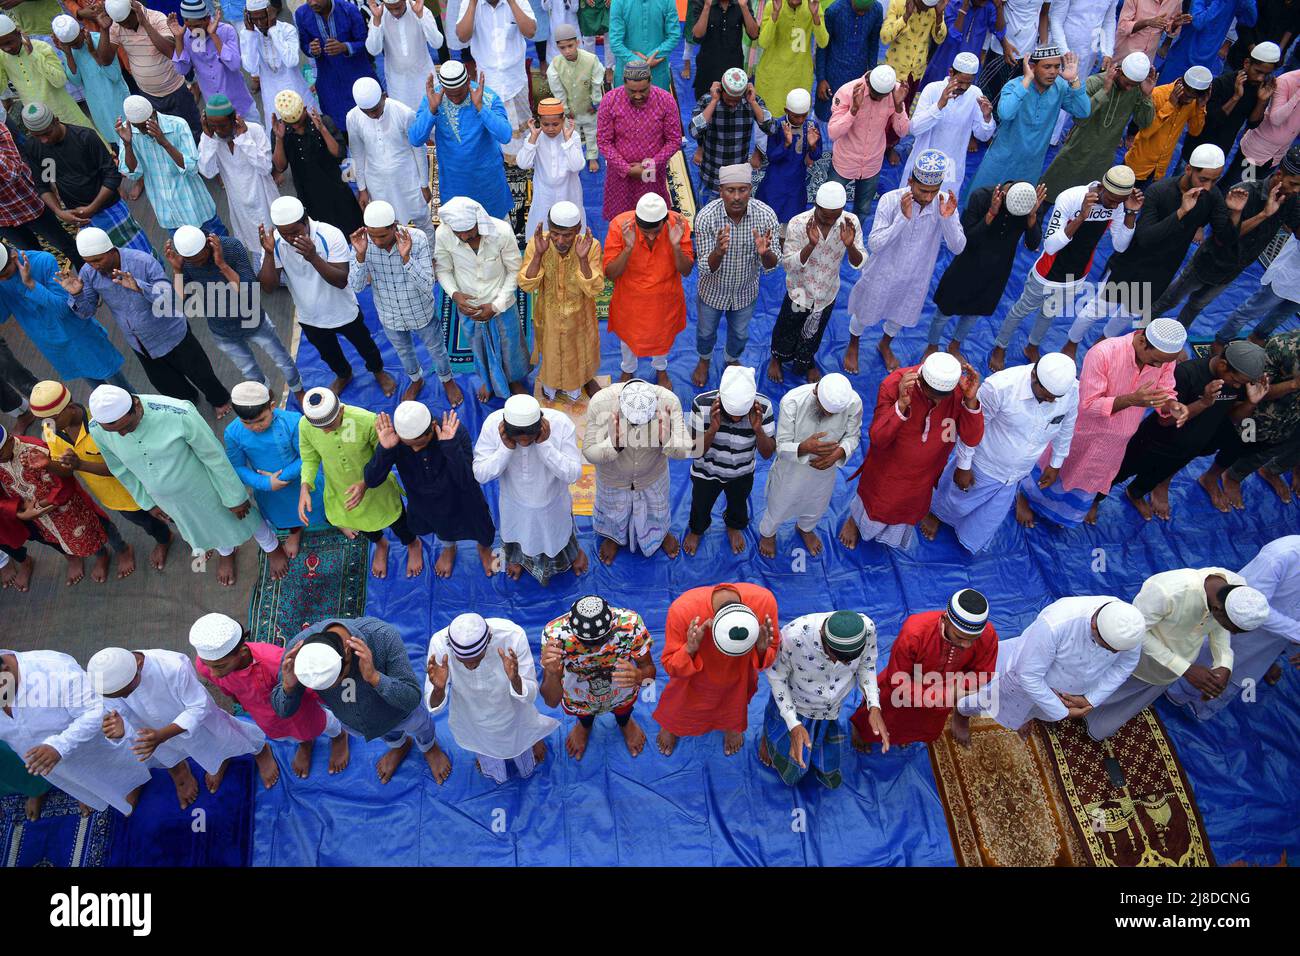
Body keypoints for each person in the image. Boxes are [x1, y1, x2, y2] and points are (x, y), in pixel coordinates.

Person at [89, 385, 290, 586]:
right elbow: (120, 469)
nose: (122, 434)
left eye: (126, 427)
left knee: (244, 518)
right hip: (168, 501)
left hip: (206, 489)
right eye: (115, 432)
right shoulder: (98, 428)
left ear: (136, 404)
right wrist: (147, 502)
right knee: (200, 528)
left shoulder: (179, 413)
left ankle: (272, 547)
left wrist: (234, 497)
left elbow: (214, 457)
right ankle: (226, 552)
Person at [1063, 144, 1232, 356]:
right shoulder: (1159, 192)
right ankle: (1071, 342)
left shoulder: (1212, 196)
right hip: (1133, 264)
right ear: (1189, 169)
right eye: (1204, 179)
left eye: (1214, 180)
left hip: (1162, 270)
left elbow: (1225, 239)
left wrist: (1235, 213)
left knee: (1128, 313)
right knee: (1099, 308)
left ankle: (1104, 339)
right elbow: (1145, 238)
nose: (1208, 186)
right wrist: (1180, 212)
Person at [1018, 319, 1188, 526]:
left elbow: (1165, 389)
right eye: (1156, 362)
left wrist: (1171, 405)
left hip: (1114, 443)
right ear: (1142, 341)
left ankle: (1058, 511)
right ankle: (1024, 499)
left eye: (1164, 363)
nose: (1160, 367)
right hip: (1083, 433)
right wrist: (1132, 399)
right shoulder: (1103, 354)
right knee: (1055, 467)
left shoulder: (1164, 358)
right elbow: (1088, 404)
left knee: (1088, 477)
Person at [1084, 571, 1270, 740]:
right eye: (1233, 629)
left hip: (1167, 673)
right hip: (1131, 662)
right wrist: (1185, 669)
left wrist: (1224, 662)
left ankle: (1090, 718)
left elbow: (1218, 627)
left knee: (1103, 725)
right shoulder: (1168, 591)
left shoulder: (1236, 591)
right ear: (1218, 610)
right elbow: (1136, 633)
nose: (1233, 634)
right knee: (1084, 699)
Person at [989, 165, 1141, 371]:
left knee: (1049, 313)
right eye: (1111, 200)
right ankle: (1000, 346)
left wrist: (1130, 213)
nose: (1114, 206)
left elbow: (1120, 246)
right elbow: (1050, 245)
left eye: (1119, 202)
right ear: (1102, 187)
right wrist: (1081, 217)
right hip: (1047, 273)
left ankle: (1032, 345)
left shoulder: (1120, 206)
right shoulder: (1071, 198)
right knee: (1021, 310)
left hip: (1076, 276)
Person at [67, 228, 232, 415]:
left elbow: (171, 298)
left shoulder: (142, 262)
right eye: (89, 262)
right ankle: (190, 403)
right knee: (167, 386)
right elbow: (86, 312)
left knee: (201, 373)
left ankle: (219, 400)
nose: (94, 266)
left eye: (98, 260)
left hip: (172, 333)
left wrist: (140, 287)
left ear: (112, 250)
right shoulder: (88, 273)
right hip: (141, 343)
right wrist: (77, 294)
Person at [272, 617, 453, 784]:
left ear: (347, 653)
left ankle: (429, 747)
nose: (331, 691)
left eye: (338, 680)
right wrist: (288, 687)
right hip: (359, 723)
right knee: (388, 734)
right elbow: (283, 710)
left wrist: (375, 678)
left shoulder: (382, 636)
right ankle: (400, 746)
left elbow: (411, 698)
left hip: (400, 712)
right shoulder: (299, 655)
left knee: (420, 725)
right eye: (323, 688)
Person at [90, 645, 271, 806]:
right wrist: (121, 730)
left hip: (197, 724)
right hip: (152, 733)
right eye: (116, 696)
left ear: (138, 666)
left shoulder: (172, 666)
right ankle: (181, 773)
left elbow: (199, 706)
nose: (124, 698)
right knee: (168, 753)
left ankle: (260, 750)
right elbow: (121, 715)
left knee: (222, 739)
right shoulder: (105, 682)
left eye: (126, 693)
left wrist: (163, 735)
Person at [930, 353, 1077, 551]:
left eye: (1056, 397)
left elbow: (1067, 424)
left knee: (988, 516)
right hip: (983, 465)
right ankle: (935, 514)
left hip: (1016, 474)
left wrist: (1056, 462)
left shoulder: (1071, 390)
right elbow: (971, 425)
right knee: (955, 500)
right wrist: (964, 466)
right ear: (1034, 375)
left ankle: (966, 534)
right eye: (1047, 394)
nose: (1052, 400)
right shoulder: (1001, 387)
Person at [841, 353, 984, 549]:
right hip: (886, 472)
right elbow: (878, 437)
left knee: (908, 509)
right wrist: (901, 405)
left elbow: (971, 437)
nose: (939, 404)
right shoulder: (894, 385)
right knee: (874, 502)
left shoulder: (960, 391)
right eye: (932, 397)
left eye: (944, 398)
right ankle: (854, 522)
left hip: (924, 476)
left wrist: (971, 401)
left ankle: (885, 535)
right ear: (921, 381)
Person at [257, 196, 396, 397]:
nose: (289, 238)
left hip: (342, 309)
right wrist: (269, 254)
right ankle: (344, 374)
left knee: (365, 345)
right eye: (283, 233)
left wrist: (313, 257)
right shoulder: (275, 242)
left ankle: (378, 371)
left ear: (305, 221)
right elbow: (268, 287)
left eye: (295, 232)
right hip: (309, 315)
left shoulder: (330, 234)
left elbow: (341, 280)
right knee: (328, 353)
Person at [1112, 341, 1268, 520]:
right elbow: (1166, 421)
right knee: (1120, 471)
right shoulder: (1187, 374)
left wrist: (1251, 402)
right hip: (1154, 442)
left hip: (1188, 449)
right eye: (1237, 381)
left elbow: (1232, 417)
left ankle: (1135, 493)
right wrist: (1203, 403)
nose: (1238, 386)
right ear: (1223, 365)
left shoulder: (1236, 382)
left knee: (1155, 477)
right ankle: (1095, 499)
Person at [953, 597, 1145, 741]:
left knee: (1032, 710)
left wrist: (1091, 699)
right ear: (1094, 626)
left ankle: (1023, 716)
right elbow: (1028, 676)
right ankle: (962, 713)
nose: (1113, 653)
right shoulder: (1057, 624)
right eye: (1109, 649)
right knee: (988, 697)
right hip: (1021, 681)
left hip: (1063, 695)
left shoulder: (1128, 630)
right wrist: (1063, 713)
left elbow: (1125, 665)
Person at [33, 380, 173, 575]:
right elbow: (67, 471)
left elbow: (120, 467)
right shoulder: (51, 430)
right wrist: (49, 464)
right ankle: (165, 539)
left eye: (51, 418)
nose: (47, 424)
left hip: (146, 487)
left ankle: (199, 538)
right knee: (149, 524)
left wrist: (79, 464)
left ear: (70, 408)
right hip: (116, 498)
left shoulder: (103, 424)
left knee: (174, 513)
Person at [845, 149, 966, 373]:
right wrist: (902, 218)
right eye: (923, 190)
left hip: (916, 276)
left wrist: (948, 219)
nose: (928, 197)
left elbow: (958, 247)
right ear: (910, 181)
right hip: (883, 273)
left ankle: (885, 344)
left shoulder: (943, 204)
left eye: (933, 191)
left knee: (900, 315)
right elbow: (875, 244)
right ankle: (853, 345)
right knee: (865, 312)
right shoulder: (891, 201)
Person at [190, 612, 349, 780]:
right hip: (264, 716)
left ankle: (339, 736)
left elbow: (314, 688)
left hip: (298, 710)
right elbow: (227, 688)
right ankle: (305, 744)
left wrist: (340, 699)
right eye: (209, 665)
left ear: (242, 652)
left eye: (220, 666)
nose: (213, 673)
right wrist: (237, 698)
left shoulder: (276, 662)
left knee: (322, 723)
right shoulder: (205, 665)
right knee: (290, 734)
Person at [1152, 149, 1300, 328]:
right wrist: (1264, 214)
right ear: (1279, 175)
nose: (1296, 189)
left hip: (1233, 269)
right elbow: (1224, 236)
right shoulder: (1244, 193)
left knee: (1196, 306)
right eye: (1293, 183)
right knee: (1169, 300)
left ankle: (1177, 337)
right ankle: (1140, 332)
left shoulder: (1292, 200)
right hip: (1210, 261)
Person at [0, 649, 151, 817]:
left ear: (5, 671)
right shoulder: (4, 682)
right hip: (61, 767)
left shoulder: (53, 669)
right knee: (80, 779)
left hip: (96, 748)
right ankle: (89, 789)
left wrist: (59, 747)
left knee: (119, 771)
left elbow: (95, 712)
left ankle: (132, 785)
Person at [166, 226, 304, 403]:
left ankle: (298, 390)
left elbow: (248, 290)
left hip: (253, 321)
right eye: (191, 261)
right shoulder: (185, 263)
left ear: (208, 245)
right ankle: (264, 393)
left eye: (200, 259)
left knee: (282, 359)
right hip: (222, 330)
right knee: (249, 371)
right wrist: (178, 271)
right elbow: (179, 302)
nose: (197, 264)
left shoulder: (232, 247)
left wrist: (222, 264)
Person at [1166, 536, 1300, 719]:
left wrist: (1292, 647)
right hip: (1234, 629)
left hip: (1273, 643)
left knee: (1234, 672)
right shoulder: (1281, 556)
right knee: (1200, 665)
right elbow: (1250, 608)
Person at [348, 201, 460, 406]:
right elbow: (355, 286)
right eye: (372, 235)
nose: (377, 241)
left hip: (420, 311)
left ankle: (447, 380)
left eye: (382, 235)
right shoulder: (363, 245)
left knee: (436, 349)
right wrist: (360, 255)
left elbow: (428, 284)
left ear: (395, 225)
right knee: (404, 352)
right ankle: (416, 380)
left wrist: (406, 257)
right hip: (390, 315)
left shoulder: (416, 239)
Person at [366, 402, 497, 577]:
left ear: (433, 427)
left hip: (463, 499)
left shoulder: (454, 433)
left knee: (482, 529)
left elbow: (466, 480)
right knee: (441, 528)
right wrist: (385, 450)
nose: (415, 449)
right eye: (410, 445)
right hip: (426, 503)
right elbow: (372, 480)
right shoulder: (395, 440)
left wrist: (449, 446)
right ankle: (449, 549)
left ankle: (484, 548)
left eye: (420, 444)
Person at [425, 612, 558, 784]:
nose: (470, 666)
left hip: (513, 714)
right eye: (464, 661)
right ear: (451, 648)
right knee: (493, 767)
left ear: (488, 641)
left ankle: (529, 742)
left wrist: (515, 680)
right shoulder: (440, 644)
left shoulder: (512, 635)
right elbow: (433, 706)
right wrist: (438, 689)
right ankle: (488, 755)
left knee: (525, 757)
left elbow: (530, 694)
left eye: (475, 659)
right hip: (473, 720)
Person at [298, 387, 417, 579]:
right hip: (341, 491)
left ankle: (413, 543)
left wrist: (365, 484)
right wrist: (305, 487)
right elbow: (309, 458)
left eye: (330, 425)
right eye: (322, 428)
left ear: (342, 411)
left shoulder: (367, 421)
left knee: (397, 519)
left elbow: (384, 459)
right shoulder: (305, 425)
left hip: (377, 489)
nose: (326, 431)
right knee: (361, 524)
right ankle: (381, 544)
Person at [855, 589, 997, 749]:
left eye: (973, 639)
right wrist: (947, 694)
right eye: (960, 637)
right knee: (879, 723)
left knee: (919, 728)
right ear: (945, 620)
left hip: (939, 703)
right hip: (900, 697)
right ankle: (863, 736)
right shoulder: (914, 633)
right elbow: (898, 680)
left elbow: (982, 673)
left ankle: (902, 737)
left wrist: (956, 689)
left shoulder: (988, 635)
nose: (967, 645)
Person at [473, 394, 588, 583]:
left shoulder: (561, 424)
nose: (524, 442)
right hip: (514, 508)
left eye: (530, 437)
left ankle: (573, 555)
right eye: (519, 439)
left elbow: (573, 474)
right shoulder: (492, 424)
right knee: (517, 538)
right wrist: (505, 449)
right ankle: (517, 562)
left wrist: (544, 445)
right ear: (505, 429)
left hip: (553, 506)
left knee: (558, 537)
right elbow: (480, 474)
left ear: (541, 425)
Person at [654, 582, 779, 756]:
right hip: (693, 680)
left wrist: (761, 649)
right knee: (679, 708)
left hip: (739, 679)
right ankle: (672, 726)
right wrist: (689, 649)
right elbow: (670, 665)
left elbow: (771, 654)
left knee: (733, 709)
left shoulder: (764, 603)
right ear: (713, 621)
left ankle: (732, 727)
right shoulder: (683, 609)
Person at [761, 608, 879, 787]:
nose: (844, 664)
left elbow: (867, 665)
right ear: (823, 636)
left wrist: (873, 704)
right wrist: (793, 724)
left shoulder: (867, 629)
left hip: (831, 711)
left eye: (849, 661)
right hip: (796, 704)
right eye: (837, 658)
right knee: (784, 742)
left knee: (823, 744)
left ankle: (820, 765)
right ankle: (768, 743)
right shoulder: (793, 638)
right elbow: (777, 678)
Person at [929, 180, 1045, 361]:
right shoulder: (981, 197)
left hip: (997, 271)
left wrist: (1032, 217)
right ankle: (932, 345)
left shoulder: (1030, 204)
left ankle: (955, 345)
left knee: (974, 312)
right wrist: (991, 213)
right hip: (967, 265)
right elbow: (968, 239)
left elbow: (1033, 244)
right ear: (1004, 194)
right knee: (945, 311)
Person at [19, 105, 152, 257]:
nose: (44, 140)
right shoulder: (35, 146)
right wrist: (60, 212)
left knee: (141, 254)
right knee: (106, 261)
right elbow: (44, 184)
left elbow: (111, 175)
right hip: (80, 217)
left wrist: (92, 207)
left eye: (47, 133)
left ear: (56, 121)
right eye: (37, 136)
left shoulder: (85, 137)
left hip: (109, 207)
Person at [584, 379, 692, 563]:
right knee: (613, 512)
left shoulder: (669, 402)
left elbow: (686, 449)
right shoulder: (600, 402)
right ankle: (613, 538)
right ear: (620, 407)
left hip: (653, 475)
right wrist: (613, 445)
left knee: (656, 510)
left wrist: (666, 440)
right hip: (612, 477)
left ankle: (660, 533)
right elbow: (588, 452)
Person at [691, 164, 780, 386]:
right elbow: (703, 267)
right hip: (712, 292)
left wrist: (765, 252)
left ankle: (731, 360)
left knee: (740, 334)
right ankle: (705, 360)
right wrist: (718, 252)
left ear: (751, 189)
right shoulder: (706, 218)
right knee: (705, 332)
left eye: (743, 190)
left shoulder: (766, 216)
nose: (737, 197)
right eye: (731, 190)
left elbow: (773, 265)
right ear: (721, 191)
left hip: (745, 292)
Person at [433, 196, 530, 402]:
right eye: (459, 232)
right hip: (469, 307)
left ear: (479, 221)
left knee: (510, 345)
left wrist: (496, 305)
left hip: (502, 303)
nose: (465, 235)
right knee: (478, 347)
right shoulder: (443, 234)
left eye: (469, 230)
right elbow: (443, 269)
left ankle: (513, 380)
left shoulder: (501, 231)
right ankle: (488, 381)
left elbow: (515, 271)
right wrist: (455, 295)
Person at [768, 181, 866, 382]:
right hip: (800, 292)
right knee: (788, 327)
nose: (830, 222)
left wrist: (850, 247)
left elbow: (859, 261)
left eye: (834, 216)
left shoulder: (850, 223)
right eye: (824, 216)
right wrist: (810, 245)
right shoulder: (798, 223)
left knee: (814, 333)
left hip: (826, 293)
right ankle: (777, 358)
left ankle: (806, 361)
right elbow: (788, 264)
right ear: (816, 206)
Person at [757, 372, 861, 557]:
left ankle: (805, 528)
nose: (829, 414)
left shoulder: (852, 402)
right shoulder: (792, 402)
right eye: (826, 409)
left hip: (825, 470)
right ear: (815, 392)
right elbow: (781, 446)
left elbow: (853, 436)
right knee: (779, 505)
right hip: (791, 471)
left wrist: (840, 452)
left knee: (817, 504)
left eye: (834, 413)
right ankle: (768, 533)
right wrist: (804, 447)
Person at [539, 595, 655, 758]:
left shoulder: (631, 626)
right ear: (572, 634)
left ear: (613, 626)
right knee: (584, 714)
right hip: (580, 697)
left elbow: (649, 674)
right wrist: (551, 673)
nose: (595, 651)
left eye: (603, 642)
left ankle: (624, 722)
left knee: (623, 709)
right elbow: (551, 702)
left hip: (621, 692)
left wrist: (639, 675)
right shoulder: (555, 637)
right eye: (587, 645)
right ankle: (585, 726)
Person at [0, 244, 128, 392]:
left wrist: (31, 284)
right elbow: (3, 316)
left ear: (14, 257)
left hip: (77, 334)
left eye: (3, 275)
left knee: (119, 384)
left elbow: (62, 309)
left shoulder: (43, 261)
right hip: (51, 343)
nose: (2, 280)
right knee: (99, 391)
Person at [965, 47, 1089, 197]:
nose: (1053, 72)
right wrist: (1027, 80)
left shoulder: (1060, 87)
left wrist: (1074, 80)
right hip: (1001, 160)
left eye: (1057, 67)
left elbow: (1083, 112)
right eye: (1047, 67)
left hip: (1030, 167)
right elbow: (1005, 113)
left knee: (1014, 212)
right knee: (980, 204)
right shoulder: (1014, 85)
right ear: (1032, 67)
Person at [0, 422, 113, 585]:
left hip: (66, 509)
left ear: (10, 440)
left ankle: (102, 555)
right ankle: (73, 557)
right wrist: (20, 512)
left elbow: (64, 482)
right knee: (52, 538)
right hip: (36, 517)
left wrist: (40, 507)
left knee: (91, 532)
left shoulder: (35, 450)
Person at [603, 193, 694, 389]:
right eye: (645, 233)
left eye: (656, 232)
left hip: (665, 300)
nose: (651, 237)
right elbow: (610, 274)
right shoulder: (620, 226)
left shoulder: (678, 224)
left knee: (663, 337)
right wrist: (627, 248)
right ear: (636, 222)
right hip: (630, 301)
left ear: (664, 221)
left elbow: (686, 271)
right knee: (628, 338)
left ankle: (661, 369)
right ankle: (628, 368)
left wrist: (676, 245)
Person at [1038, 53, 1158, 202]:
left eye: (1133, 85)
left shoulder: (1136, 90)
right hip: (1076, 152)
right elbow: (1080, 118)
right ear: (1119, 71)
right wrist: (1104, 92)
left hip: (1102, 161)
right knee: (1048, 197)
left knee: (1083, 206)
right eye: (1127, 83)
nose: (1129, 88)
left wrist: (1147, 96)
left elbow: (1145, 123)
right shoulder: (1095, 82)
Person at [517, 200, 604, 402]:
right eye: (555, 233)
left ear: (578, 230)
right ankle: (551, 386)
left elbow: (595, 288)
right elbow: (526, 285)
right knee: (551, 353)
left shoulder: (591, 246)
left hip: (580, 318)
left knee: (580, 351)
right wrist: (538, 254)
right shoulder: (538, 244)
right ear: (549, 227)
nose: (560, 240)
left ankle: (583, 380)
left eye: (567, 235)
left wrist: (582, 259)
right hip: (549, 318)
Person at [225, 381, 323, 559]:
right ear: (239, 418)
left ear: (272, 406)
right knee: (285, 514)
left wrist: (283, 477)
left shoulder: (293, 422)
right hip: (270, 491)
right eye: (247, 422)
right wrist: (266, 483)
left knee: (319, 503)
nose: (255, 426)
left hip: (302, 481)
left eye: (261, 420)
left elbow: (308, 456)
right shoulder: (233, 433)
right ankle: (295, 532)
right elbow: (237, 467)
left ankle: (337, 520)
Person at [684, 365, 774, 556]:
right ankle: (697, 529)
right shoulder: (702, 404)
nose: (735, 418)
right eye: (730, 412)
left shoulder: (763, 407)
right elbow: (694, 451)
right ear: (720, 399)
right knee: (700, 504)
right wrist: (712, 429)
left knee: (738, 503)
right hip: (706, 472)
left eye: (740, 415)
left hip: (742, 473)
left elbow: (767, 453)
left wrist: (758, 429)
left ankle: (733, 526)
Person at [408, 60, 513, 219]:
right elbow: (415, 139)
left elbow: (505, 135)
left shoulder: (487, 97)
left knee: (498, 237)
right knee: (459, 240)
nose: (455, 99)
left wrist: (481, 108)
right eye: (450, 94)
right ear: (443, 88)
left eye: (459, 93)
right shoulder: (434, 98)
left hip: (488, 183)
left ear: (468, 80)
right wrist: (431, 110)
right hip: (454, 186)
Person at [1206, 331, 1300, 508]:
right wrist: (1294, 384)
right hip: (1257, 419)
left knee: (1262, 451)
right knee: (1236, 447)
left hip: (1289, 424)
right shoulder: (1283, 345)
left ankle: (1234, 476)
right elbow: (1255, 389)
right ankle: (1212, 477)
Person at [116, 95, 224, 235]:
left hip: (196, 206)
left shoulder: (178, 125)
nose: (144, 131)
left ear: (153, 112)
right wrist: (127, 145)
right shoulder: (128, 132)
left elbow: (192, 167)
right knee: (188, 254)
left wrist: (164, 142)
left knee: (221, 245)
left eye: (146, 124)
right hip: (167, 212)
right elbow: (133, 173)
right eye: (139, 127)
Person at [98, 0, 204, 138]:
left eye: (127, 22)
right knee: (167, 137)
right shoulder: (116, 26)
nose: (125, 26)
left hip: (176, 91)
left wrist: (146, 24)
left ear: (134, 10)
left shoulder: (157, 18)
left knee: (193, 132)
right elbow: (105, 60)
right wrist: (104, 30)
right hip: (149, 96)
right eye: (121, 23)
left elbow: (170, 51)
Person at [596, 62, 682, 220]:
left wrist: (650, 165)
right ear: (623, 82)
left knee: (652, 219)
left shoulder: (666, 101)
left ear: (650, 80)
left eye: (643, 90)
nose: (637, 95)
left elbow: (674, 140)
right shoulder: (610, 101)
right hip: (620, 175)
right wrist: (626, 169)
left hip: (652, 174)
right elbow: (603, 141)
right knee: (621, 221)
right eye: (632, 91)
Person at [827, 63, 910, 228]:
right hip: (845, 160)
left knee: (863, 209)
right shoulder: (848, 91)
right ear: (868, 82)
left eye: (883, 96)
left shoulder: (896, 93)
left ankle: (852, 235)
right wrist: (853, 110)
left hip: (872, 162)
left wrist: (899, 106)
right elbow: (833, 133)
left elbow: (902, 132)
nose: (879, 99)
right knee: (830, 205)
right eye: (875, 94)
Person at [347, 77, 432, 237]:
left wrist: (424, 184)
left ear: (384, 97)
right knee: (385, 222)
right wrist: (362, 189)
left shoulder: (404, 113)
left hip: (407, 177)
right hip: (377, 182)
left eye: (375, 110)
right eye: (367, 112)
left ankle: (430, 257)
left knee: (422, 219)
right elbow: (356, 154)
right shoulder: (353, 117)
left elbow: (418, 149)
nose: (372, 115)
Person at [451, 0, 537, 156]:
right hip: (488, 83)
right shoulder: (470, 3)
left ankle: (526, 166)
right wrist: (472, 4)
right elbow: (462, 37)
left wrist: (511, 2)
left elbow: (531, 31)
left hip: (516, 81)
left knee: (524, 135)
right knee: (494, 136)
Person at [904, 52, 997, 196]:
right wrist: (939, 105)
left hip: (951, 166)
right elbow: (915, 128)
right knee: (913, 203)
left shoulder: (975, 94)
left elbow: (983, 136)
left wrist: (986, 117)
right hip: (923, 161)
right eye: (960, 82)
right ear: (951, 72)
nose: (964, 87)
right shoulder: (932, 90)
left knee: (943, 208)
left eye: (969, 83)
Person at [270, 91, 363, 235]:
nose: (295, 127)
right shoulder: (280, 131)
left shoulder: (323, 121)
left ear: (304, 108)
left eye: (298, 121)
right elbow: (280, 167)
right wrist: (279, 139)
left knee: (353, 233)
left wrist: (322, 130)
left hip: (338, 191)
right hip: (309, 196)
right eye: (291, 123)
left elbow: (340, 154)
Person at [197, 95, 278, 258]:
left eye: (222, 125)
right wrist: (208, 138)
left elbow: (265, 167)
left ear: (234, 119)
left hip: (264, 199)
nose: (218, 130)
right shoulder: (210, 139)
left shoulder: (253, 130)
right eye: (213, 126)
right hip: (240, 207)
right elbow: (207, 171)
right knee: (256, 249)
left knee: (277, 242)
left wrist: (243, 138)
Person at [690, 68, 780, 205]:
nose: (733, 104)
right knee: (705, 218)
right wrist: (714, 102)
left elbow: (772, 128)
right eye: (729, 99)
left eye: (736, 100)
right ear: (722, 91)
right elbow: (694, 131)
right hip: (712, 176)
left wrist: (754, 103)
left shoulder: (751, 101)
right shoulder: (708, 100)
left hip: (737, 179)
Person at [0, 120, 84, 267]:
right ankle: (54, 288)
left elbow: (11, 173)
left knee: (65, 244)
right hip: (3, 219)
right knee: (31, 257)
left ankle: (91, 277)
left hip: (26, 202)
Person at [1180, 42, 1281, 164]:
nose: (1260, 78)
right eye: (1258, 72)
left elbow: (1253, 123)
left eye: (1265, 74)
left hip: (1221, 149)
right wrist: (1236, 97)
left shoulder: (1260, 89)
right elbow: (1211, 120)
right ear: (1247, 63)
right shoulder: (1222, 83)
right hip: (1197, 145)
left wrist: (1262, 101)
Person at [0, 16, 98, 135]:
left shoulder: (40, 47)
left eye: (9, 42)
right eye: (1, 45)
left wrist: (33, 54)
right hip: (36, 119)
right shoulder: (2, 57)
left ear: (18, 33)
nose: (7, 48)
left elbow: (60, 80)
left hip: (63, 113)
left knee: (87, 142)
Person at [879, 0, 947, 164]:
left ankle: (889, 146)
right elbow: (885, 36)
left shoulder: (933, 9)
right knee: (883, 111)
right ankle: (875, 144)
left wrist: (938, 16)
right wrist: (906, 16)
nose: (926, 9)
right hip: (894, 70)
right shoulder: (898, 4)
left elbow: (939, 38)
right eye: (924, 6)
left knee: (902, 111)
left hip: (915, 72)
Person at [50, 14, 131, 150]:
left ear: (82, 31)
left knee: (131, 139)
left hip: (118, 101)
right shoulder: (69, 50)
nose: (76, 46)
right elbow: (75, 81)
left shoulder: (100, 39)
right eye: (71, 45)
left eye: (77, 41)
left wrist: (93, 52)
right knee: (115, 145)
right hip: (98, 107)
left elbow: (115, 75)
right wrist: (68, 54)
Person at [171, 0, 258, 123]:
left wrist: (213, 35)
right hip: (216, 113)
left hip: (240, 106)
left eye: (196, 26)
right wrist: (178, 39)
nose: (192, 30)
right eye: (188, 25)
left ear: (206, 18)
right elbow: (182, 70)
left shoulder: (226, 30)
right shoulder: (186, 36)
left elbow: (234, 65)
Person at [294, 0, 376, 129]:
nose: (312, 3)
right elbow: (304, 44)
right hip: (329, 83)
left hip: (356, 76)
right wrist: (312, 49)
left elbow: (365, 42)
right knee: (337, 126)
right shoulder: (302, 14)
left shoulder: (348, 10)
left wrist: (344, 47)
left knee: (368, 122)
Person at [1125, 67, 1212, 184]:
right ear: (1180, 84)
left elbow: (1195, 131)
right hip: (1138, 165)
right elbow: (1146, 132)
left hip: (1159, 171)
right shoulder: (1158, 94)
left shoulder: (1194, 103)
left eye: (1192, 98)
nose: (1188, 100)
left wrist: (1200, 107)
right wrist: (1170, 105)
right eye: (1186, 95)